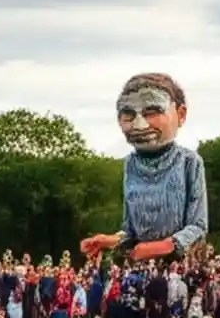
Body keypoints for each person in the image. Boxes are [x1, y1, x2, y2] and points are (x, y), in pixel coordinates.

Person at [81, 74, 208, 262]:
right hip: (141, 267)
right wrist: (110, 240)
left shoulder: (189, 162)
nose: (139, 124)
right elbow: (130, 230)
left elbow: (198, 226)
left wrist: (165, 245)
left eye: (152, 112)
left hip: (181, 267)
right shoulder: (130, 164)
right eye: (128, 114)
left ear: (180, 114)